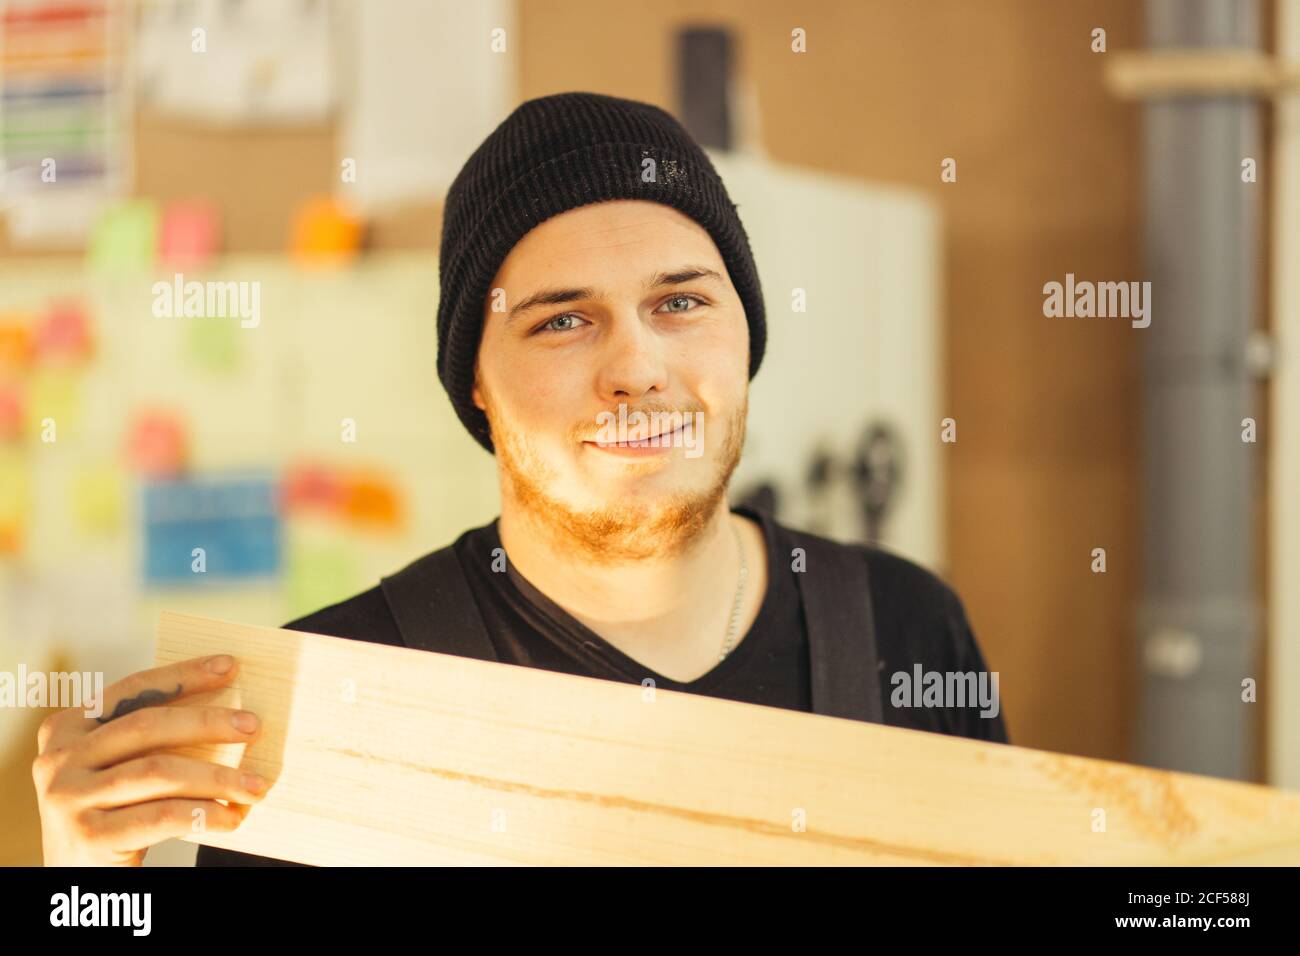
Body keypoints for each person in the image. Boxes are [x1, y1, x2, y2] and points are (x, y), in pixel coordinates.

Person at [33, 92, 1008, 868]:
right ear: (476, 381)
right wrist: (78, 889)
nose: (638, 366)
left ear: (745, 332)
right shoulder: (329, 705)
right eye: (562, 319)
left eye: (680, 300)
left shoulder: (903, 630)